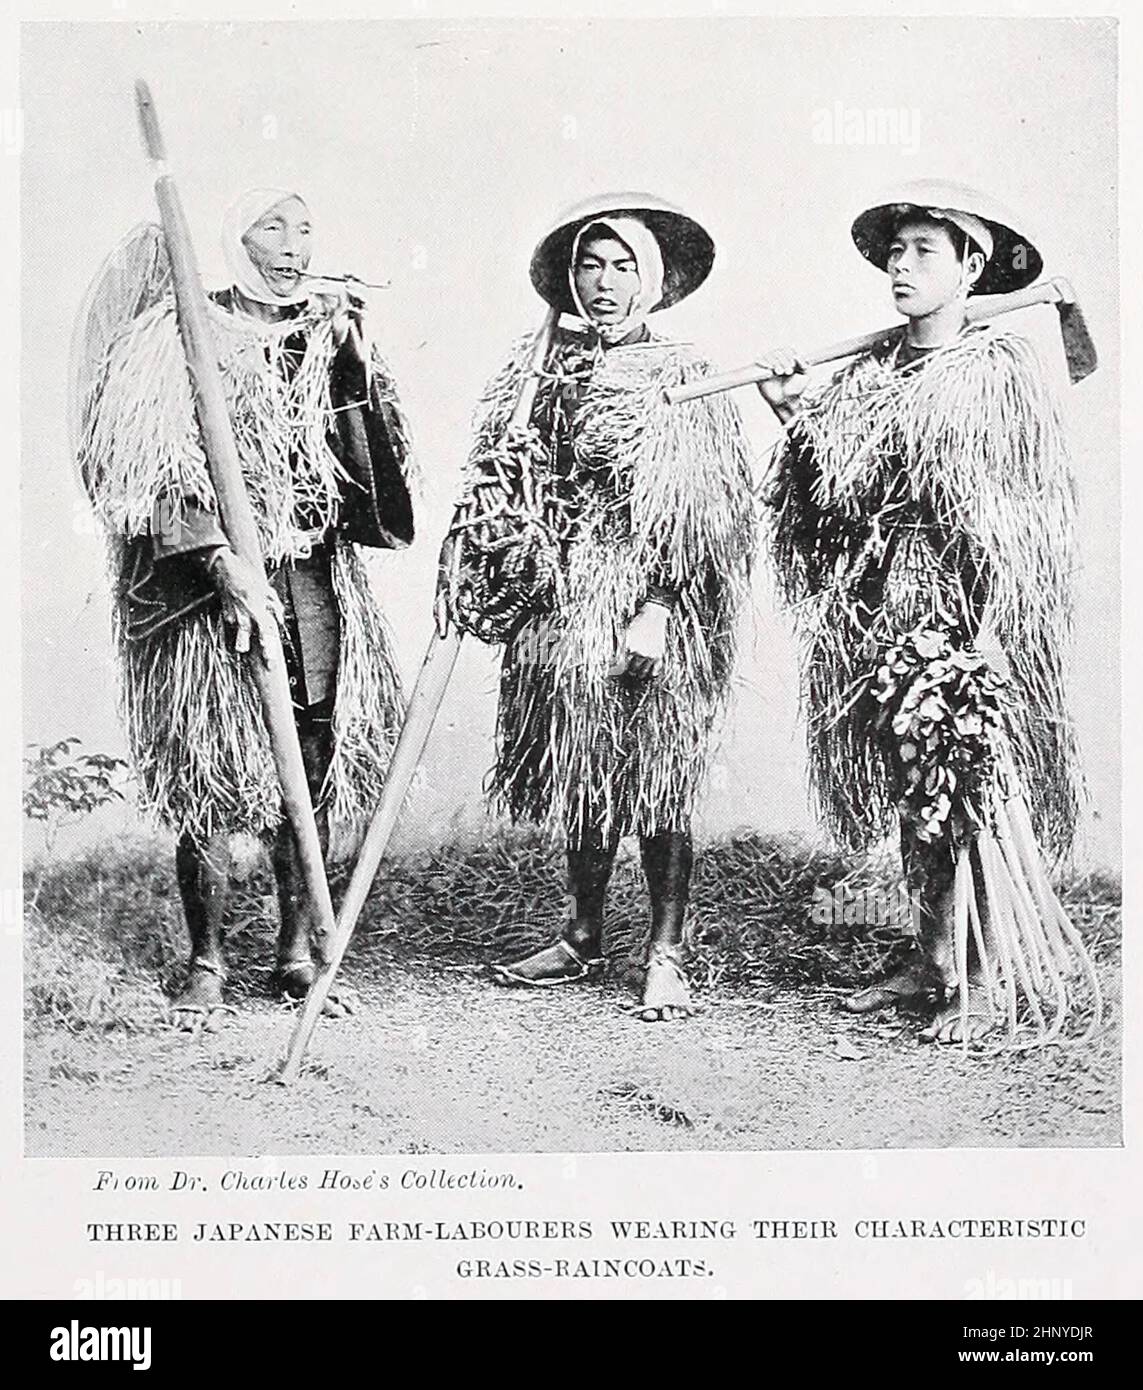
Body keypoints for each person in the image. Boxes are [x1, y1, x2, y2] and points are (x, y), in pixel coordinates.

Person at [758, 179, 1096, 1044]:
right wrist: (796, 417)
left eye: (924, 252)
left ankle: (979, 977)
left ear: (971, 267)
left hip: (956, 615)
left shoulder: (990, 373)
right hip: (875, 613)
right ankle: (929, 953)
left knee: (963, 788)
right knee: (915, 796)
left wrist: (981, 642)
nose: (901, 268)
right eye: (895, 252)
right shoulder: (871, 374)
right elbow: (829, 500)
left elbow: (1007, 521)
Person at [77, 188, 415, 1028]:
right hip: (207, 590)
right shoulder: (175, 332)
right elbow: (149, 474)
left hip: (313, 581)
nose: (293, 245)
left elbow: (373, 470)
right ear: (233, 234)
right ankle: (206, 958)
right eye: (272, 225)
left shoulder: (325, 331)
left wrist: (352, 362)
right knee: (213, 767)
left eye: (306, 226)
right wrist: (223, 563)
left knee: (316, 755)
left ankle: (297, 953)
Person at [439, 194, 756, 1021]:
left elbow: (703, 514)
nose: (604, 282)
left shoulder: (687, 375)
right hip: (559, 598)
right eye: (590, 264)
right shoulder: (540, 368)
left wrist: (654, 607)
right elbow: (507, 485)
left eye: (622, 267)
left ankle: (666, 952)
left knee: (654, 777)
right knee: (580, 767)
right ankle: (581, 935)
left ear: (653, 280)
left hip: (650, 600)